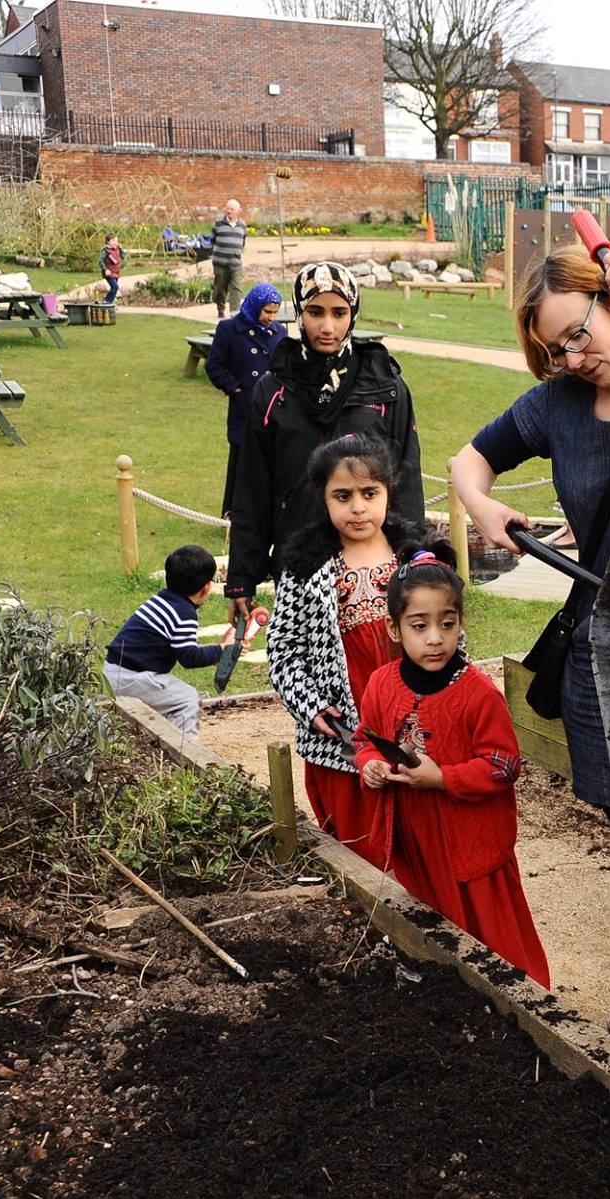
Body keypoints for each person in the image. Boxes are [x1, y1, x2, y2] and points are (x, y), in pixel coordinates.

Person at [450, 240, 610, 1080]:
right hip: (600, 652)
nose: (574, 356)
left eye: (579, 332)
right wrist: (483, 506)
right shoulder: (557, 406)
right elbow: (466, 459)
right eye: (557, 347)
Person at [357, 544, 551, 989]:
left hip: (469, 843)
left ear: (460, 623)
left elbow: (504, 766)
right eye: (419, 626)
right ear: (393, 627)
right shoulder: (381, 684)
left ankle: (522, 1002)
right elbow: (365, 740)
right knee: (434, 925)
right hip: (417, 835)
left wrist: (443, 777)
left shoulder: (479, 695)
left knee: (490, 933)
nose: (435, 638)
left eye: (447, 624)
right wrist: (370, 767)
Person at [225, 262, 422, 629]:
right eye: (315, 312)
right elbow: (251, 486)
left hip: (372, 561)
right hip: (299, 560)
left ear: (353, 313)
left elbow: (406, 477)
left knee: (377, 670)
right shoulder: (272, 390)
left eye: (339, 313)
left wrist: (414, 557)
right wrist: (242, 576)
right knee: (304, 668)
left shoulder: (386, 387)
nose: (327, 326)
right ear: (299, 312)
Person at [266, 434, 424, 861]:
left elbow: (451, 640)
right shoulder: (304, 568)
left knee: (423, 842)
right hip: (343, 740)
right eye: (343, 495)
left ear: (389, 492)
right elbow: (283, 650)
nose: (358, 507)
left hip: (416, 723)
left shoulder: (417, 560)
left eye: (370, 493)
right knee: (362, 852)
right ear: (323, 498)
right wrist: (311, 706)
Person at [103, 545, 222, 739]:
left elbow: (182, 647)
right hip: (133, 677)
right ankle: (188, 755)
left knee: (169, 699)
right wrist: (220, 651)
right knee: (186, 700)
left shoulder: (162, 599)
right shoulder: (184, 613)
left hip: (116, 671)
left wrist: (214, 653)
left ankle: (165, 744)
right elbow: (188, 657)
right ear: (206, 587)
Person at [207, 282, 284, 517]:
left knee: (270, 464)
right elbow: (215, 365)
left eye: (275, 312)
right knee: (240, 465)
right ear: (255, 306)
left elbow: (283, 367)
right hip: (244, 409)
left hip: (273, 410)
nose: (271, 317)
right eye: (267, 311)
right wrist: (235, 387)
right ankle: (232, 514)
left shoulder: (279, 332)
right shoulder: (229, 329)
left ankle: (266, 515)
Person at [210, 199, 248, 318]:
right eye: (228, 208)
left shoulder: (242, 225)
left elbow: (242, 242)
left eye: (232, 209)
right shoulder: (218, 223)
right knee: (220, 288)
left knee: (236, 288)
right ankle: (220, 308)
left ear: (238, 211)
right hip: (220, 263)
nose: (229, 211)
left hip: (235, 263)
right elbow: (213, 240)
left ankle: (234, 313)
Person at [98, 233, 124, 306]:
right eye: (114, 241)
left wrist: (121, 249)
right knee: (115, 287)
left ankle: (110, 303)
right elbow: (100, 261)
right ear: (109, 241)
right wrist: (105, 269)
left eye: (116, 240)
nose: (116, 242)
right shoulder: (105, 250)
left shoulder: (117, 249)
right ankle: (106, 301)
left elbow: (123, 256)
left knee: (114, 289)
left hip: (116, 272)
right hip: (109, 273)